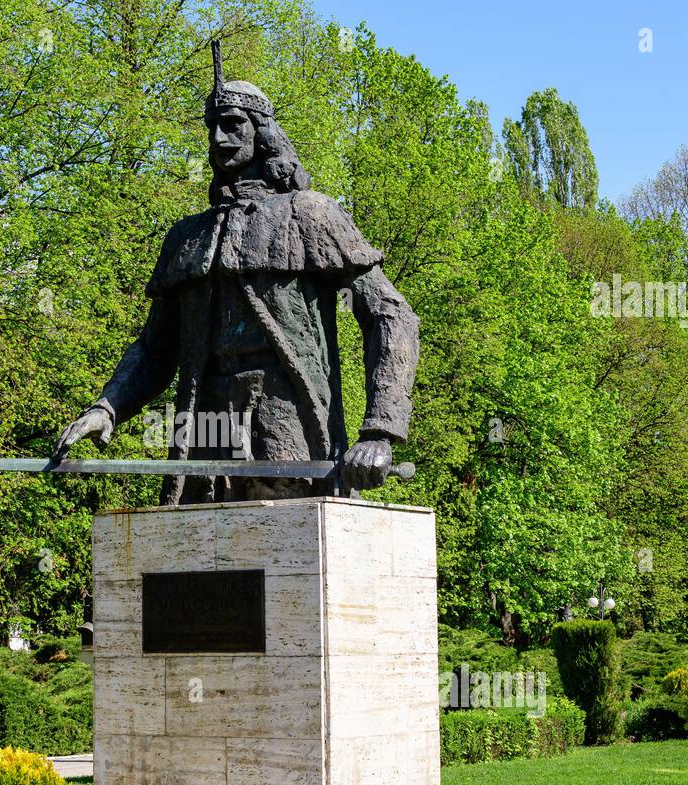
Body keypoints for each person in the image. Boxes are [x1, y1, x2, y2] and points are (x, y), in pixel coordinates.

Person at [52, 40, 419, 504]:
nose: (219, 139)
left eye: (232, 125)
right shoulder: (187, 236)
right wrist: (107, 408)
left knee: (285, 536)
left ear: (262, 133)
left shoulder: (310, 215)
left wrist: (380, 431)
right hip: (205, 417)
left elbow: (391, 315)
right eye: (212, 128)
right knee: (200, 540)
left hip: (288, 414)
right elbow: (155, 348)